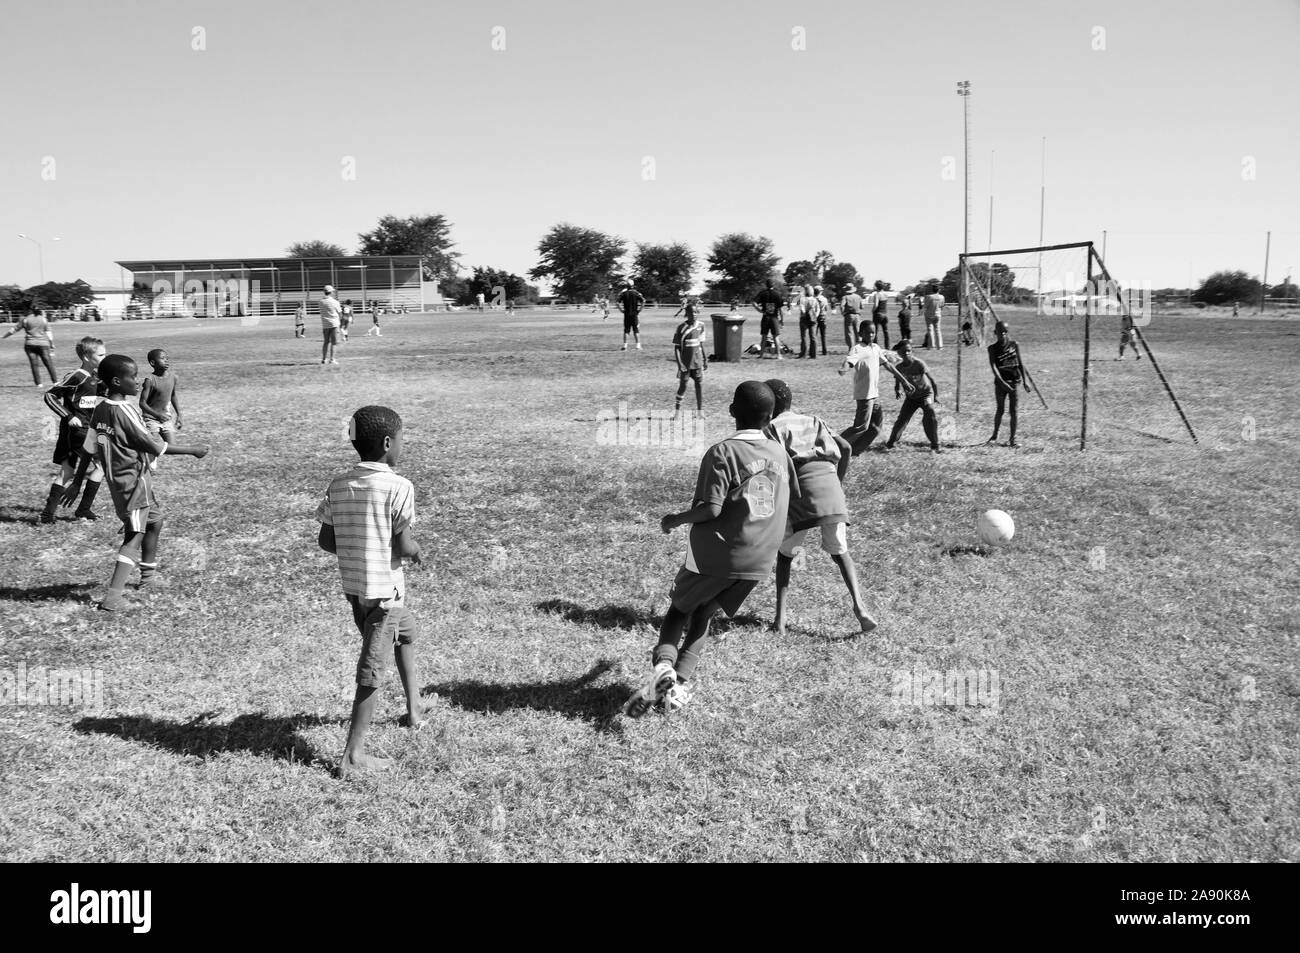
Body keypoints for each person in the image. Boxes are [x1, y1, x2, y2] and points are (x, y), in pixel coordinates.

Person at [623, 382, 798, 717]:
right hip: (760, 560)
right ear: (772, 415)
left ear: (732, 411)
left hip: (718, 553)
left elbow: (711, 510)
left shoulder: (723, 452)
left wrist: (673, 519)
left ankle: (663, 668)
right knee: (705, 615)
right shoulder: (780, 453)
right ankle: (679, 687)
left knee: (678, 610)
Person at [316, 405, 426, 777]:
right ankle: (352, 756)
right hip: (385, 594)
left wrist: (361, 545)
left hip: (355, 589)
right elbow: (405, 545)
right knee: (372, 669)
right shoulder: (399, 486)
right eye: (400, 440)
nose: (401, 446)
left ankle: (414, 709)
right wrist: (416, 554)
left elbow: (326, 540)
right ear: (386, 443)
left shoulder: (338, 485)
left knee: (406, 635)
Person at [82, 354, 210, 611]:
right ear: (117, 381)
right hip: (133, 482)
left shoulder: (100, 408)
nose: (138, 382)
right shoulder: (124, 410)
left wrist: (77, 483)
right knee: (134, 535)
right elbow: (153, 444)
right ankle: (113, 598)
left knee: (155, 521)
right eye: (132, 377)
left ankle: (148, 578)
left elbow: (89, 446)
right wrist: (192, 450)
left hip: (121, 481)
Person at [764, 379, 877, 636]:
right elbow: (846, 448)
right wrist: (838, 482)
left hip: (800, 491)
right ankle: (860, 608)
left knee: (785, 555)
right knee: (840, 552)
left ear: (768, 406)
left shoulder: (772, 427)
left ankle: (780, 622)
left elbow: (775, 465)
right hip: (830, 488)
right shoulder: (814, 420)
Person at [39, 335, 106, 523]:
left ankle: (47, 515)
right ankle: (82, 509)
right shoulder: (75, 376)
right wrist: (68, 416)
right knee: (101, 465)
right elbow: (50, 396)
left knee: (67, 472)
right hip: (77, 431)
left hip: (87, 429)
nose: (104, 358)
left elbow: (100, 392)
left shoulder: (94, 377)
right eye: (100, 355)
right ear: (86, 357)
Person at [838, 321, 906, 455]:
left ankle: (854, 451)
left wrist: (903, 381)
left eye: (873, 332)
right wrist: (844, 369)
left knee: (875, 427)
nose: (871, 335)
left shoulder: (876, 348)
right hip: (864, 395)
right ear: (860, 333)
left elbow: (888, 365)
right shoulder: (858, 348)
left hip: (874, 395)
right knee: (860, 427)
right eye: (868, 332)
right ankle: (833, 445)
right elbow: (849, 361)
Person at [882, 340, 942, 453]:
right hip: (911, 399)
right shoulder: (899, 367)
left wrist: (936, 396)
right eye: (904, 351)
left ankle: (935, 444)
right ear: (899, 353)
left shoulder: (919, 363)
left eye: (909, 351)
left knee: (930, 412)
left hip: (926, 395)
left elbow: (933, 380)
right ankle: (891, 443)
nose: (907, 353)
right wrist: (898, 390)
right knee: (902, 420)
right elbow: (897, 382)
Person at [987, 321, 1031, 447]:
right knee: (1000, 409)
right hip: (1001, 385)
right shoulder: (992, 349)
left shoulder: (1014, 345)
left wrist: (1025, 381)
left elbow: (1020, 364)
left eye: (1005, 332)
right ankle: (994, 436)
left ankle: (1012, 439)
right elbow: (993, 367)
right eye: (1000, 332)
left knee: (1014, 411)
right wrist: (1001, 382)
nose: (1003, 334)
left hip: (1014, 383)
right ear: (995, 333)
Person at [672, 298, 708, 417]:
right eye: (691, 312)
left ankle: (700, 411)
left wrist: (705, 359)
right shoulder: (681, 328)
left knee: (699, 385)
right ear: (686, 314)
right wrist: (680, 364)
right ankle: (677, 412)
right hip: (686, 364)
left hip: (697, 363)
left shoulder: (701, 326)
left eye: (696, 312)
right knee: (683, 386)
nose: (694, 314)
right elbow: (677, 348)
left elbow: (701, 344)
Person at [4, 308, 57, 385]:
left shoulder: (25, 319)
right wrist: (51, 344)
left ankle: (39, 384)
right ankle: (55, 382)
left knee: (34, 364)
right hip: (43, 344)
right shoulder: (43, 319)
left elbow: (14, 330)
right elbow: (49, 333)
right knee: (48, 363)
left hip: (30, 344)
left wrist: (4, 336)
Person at [753, 279, 786, 360]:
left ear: (766, 285)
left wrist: (760, 310)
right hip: (774, 317)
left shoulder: (762, 293)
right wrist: (782, 320)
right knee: (776, 337)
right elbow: (780, 309)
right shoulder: (777, 294)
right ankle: (779, 355)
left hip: (766, 317)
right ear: (773, 285)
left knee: (764, 336)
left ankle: (761, 355)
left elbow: (754, 303)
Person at [617, 280, 644, 350]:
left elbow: (617, 302)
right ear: (633, 285)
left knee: (626, 330)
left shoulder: (624, 293)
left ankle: (625, 346)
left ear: (626, 286)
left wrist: (621, 310)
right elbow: (643, 301)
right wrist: (640, 309)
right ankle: (638, 346)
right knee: (636, 330)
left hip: (626, 314)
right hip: (634, 314)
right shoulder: (636, 293)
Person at [796, 284, 820, 359]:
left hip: (804, 319)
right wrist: (815, 315)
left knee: (804, 337)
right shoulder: (814, 299)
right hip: (813, 319)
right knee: (813, 337)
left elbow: (802, 308)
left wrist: (805, 313)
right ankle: (813, 354)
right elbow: (818, 309)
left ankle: (804, 353)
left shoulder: (802, 299)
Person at [319, 286, 342, 364]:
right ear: (331, 292)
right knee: (334, 342)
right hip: (334, 324)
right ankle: (332, 359)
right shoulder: (335, 302)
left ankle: (324, 359)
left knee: (326, 342)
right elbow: (340, 313)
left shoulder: (321, 301)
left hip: (325, 324)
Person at [840, 283, 863, 350]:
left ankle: (851, 347)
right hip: (857, 315)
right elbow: (862, 306)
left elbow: (842, 306)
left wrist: (843, 313)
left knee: (849, 332)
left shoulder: (845, 297)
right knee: (858, 331)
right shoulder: (858, 297)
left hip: (849, 315)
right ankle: (859, 346)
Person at [868, 280, 891, 347]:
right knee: (886, 331)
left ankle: (875, 346)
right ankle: (887, 347)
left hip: (878, 314)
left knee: (875, 331)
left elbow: (876, 305)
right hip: (885, 314)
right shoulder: (886, 294)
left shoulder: (877, 294)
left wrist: (872, 310)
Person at [814, 285, 831, 355]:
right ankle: (824, 351)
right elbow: (827, 309)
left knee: (814, 335)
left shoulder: (813, 298)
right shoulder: (824, 299)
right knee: (823, 336)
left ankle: (814, 350)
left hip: (814, 318)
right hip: (822, 317)